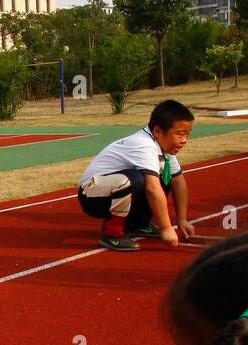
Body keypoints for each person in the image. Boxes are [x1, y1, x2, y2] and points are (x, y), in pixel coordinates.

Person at [77, 100, 195, 251]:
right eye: (180, 134)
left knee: (164, 177)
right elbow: (152, 189)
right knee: (137, 180)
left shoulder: (163, 147)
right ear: (158, 131)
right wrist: (166, 228)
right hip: (91, 195)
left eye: (187, 134)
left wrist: (182, 220)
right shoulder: (143, 144)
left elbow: (178, 182)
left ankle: (139, 224)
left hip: (111, 188)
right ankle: (112, 234)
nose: (184, 140)